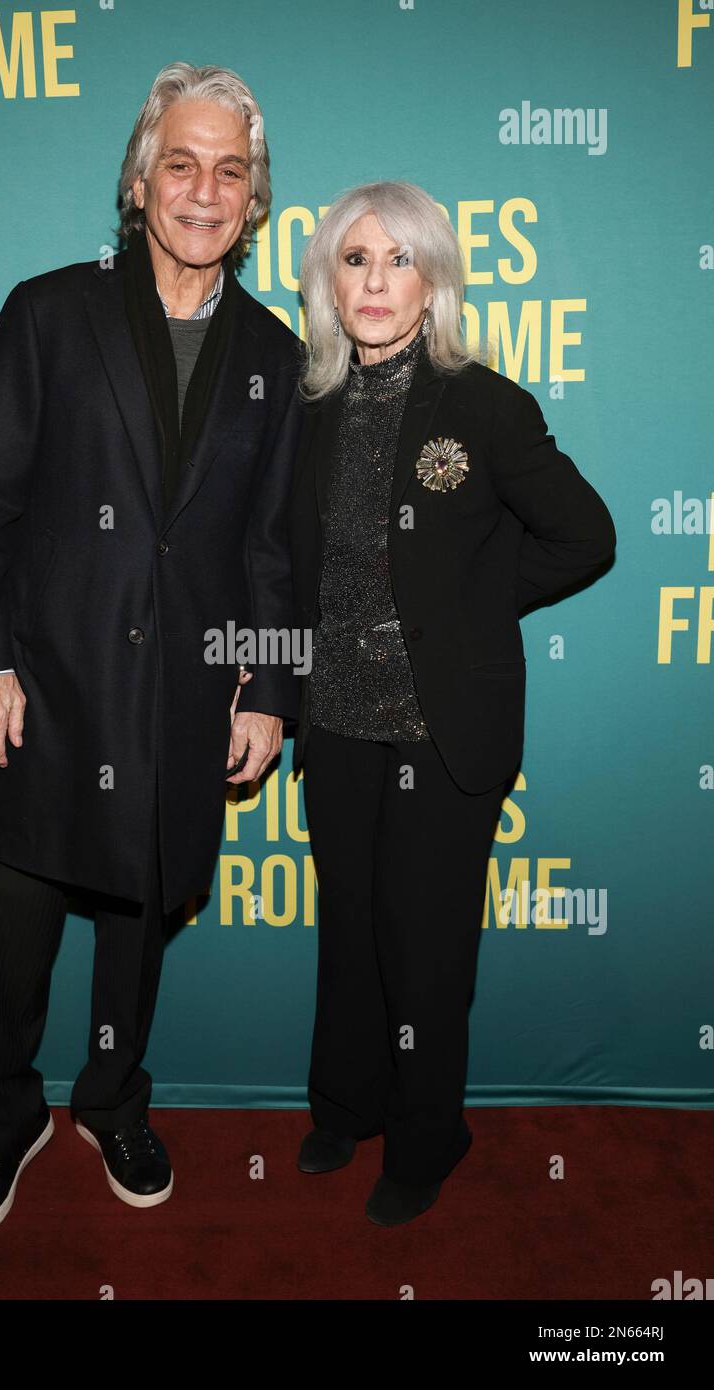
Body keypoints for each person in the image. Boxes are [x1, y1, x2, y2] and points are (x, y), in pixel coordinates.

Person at [0, 63, 302, 1243]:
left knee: (140, 925)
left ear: (254, 200)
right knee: (17, 930)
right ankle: (1, 1123)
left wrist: (271, 686)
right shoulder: (49, 309)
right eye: (181, 164)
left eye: (229, 170)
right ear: (139, 183)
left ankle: (109, 1099)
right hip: (43, 686)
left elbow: (271, 544)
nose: (205, 189)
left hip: (184, 699)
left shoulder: (276, 352)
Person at [288, 181, 616, 1227]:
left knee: (424, 948)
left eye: (398, 260)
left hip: (441, 732)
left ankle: (428, 1136)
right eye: (355, 260)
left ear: (432, 282)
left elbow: (586, 537)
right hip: (334, 718)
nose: (376, 281)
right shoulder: (309, 409)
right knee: (348, 929)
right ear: (330, 284)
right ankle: (347, 1102)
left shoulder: (483, 402)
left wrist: (467, 603)